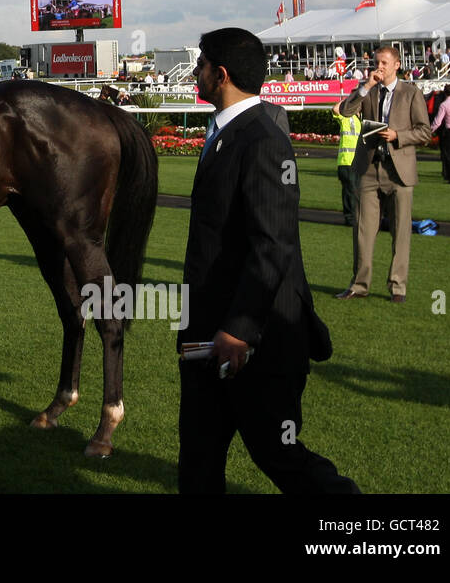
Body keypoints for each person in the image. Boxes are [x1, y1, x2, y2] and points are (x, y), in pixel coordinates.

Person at [179, 28, 356, 494]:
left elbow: (273, 245)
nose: (195, 72)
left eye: (200, 64)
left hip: (257, 339)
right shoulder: (225, 131)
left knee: (279, 455)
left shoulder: (261, 139)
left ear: (220, 74)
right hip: (208, 333)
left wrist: (238, 327)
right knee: (197, 463)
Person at [336, 46, 431, 303]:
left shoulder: (411, 93)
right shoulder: (368, 90)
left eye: (385, 63)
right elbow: (345, 111)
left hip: (398, 171)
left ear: (397, 65)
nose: (380, 67)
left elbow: (425, 132)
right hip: (368, 168)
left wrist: (398, 136)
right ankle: (359, 284)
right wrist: (366, 85)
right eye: (377, 62)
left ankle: (397, 287)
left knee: (400, 232)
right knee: (363, 231)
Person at [331, 100, 362, 226]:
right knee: (351, 190)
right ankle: (350, 218)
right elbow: (335, 109)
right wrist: (349, 100)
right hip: (346, 161)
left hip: (357, 162)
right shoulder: (346, 117)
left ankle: (354, 216)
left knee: (354, 191)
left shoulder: (360, 120)